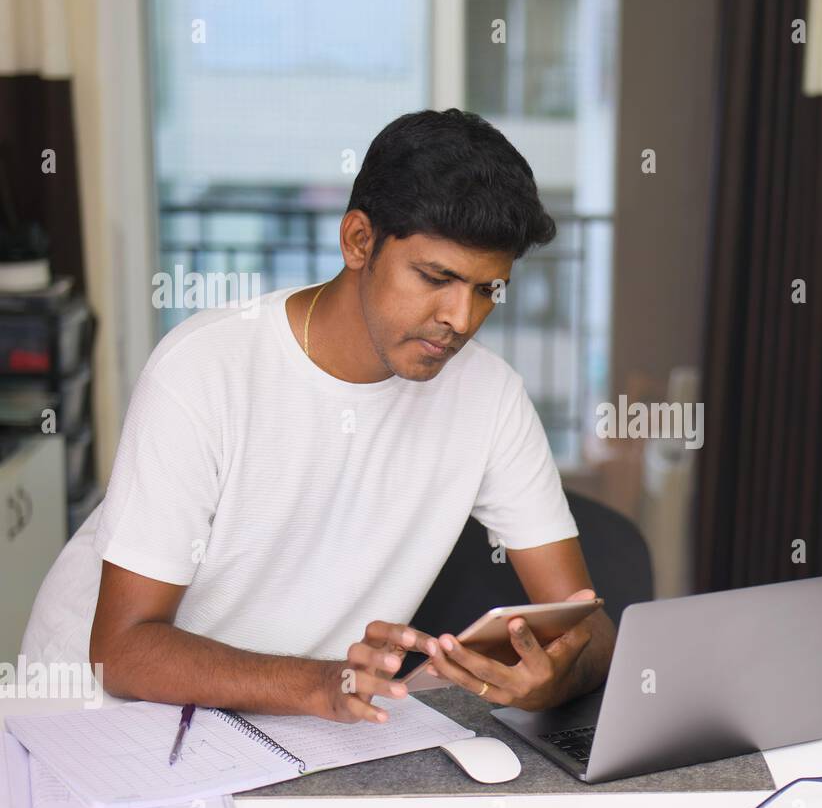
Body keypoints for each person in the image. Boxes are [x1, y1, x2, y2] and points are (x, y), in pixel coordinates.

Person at [20, 109, 616, 723]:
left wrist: (551, 682)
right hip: (94, 718)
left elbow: (588, 628)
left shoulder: (491, 399)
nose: (461, 319)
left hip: (289, 723)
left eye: (487, 290)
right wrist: (318, 685)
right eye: (437, 277)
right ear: (359, 241)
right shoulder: (202, 371)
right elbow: (121, 650)